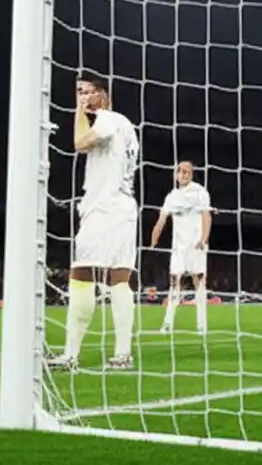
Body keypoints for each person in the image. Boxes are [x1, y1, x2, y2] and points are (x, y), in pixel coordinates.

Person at [48, 72, 141, 370]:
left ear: (102, 94)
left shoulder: (106, 118)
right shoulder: (126, 124)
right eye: (78, 92)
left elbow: (79, 143)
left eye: (86, 92)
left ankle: (70, 354)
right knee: (119, 278)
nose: (82, 98)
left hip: (104, 208)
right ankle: (123, 353)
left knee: (81, 274)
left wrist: (79, 111)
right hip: (125, 206)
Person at [151, 161, 212, 334]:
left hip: (196, 246)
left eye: (186, 171)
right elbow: (162, 219)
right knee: (174, 283)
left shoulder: (200, 192)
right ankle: (168, 323)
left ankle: (202, 325)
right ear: (176, 174)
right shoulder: (172, 196)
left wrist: (203, 239)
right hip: (178, 248)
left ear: (191, 174)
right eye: (179, 171)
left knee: (199, 282)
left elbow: (206, 216)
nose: (182, 174)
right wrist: (154, 238)